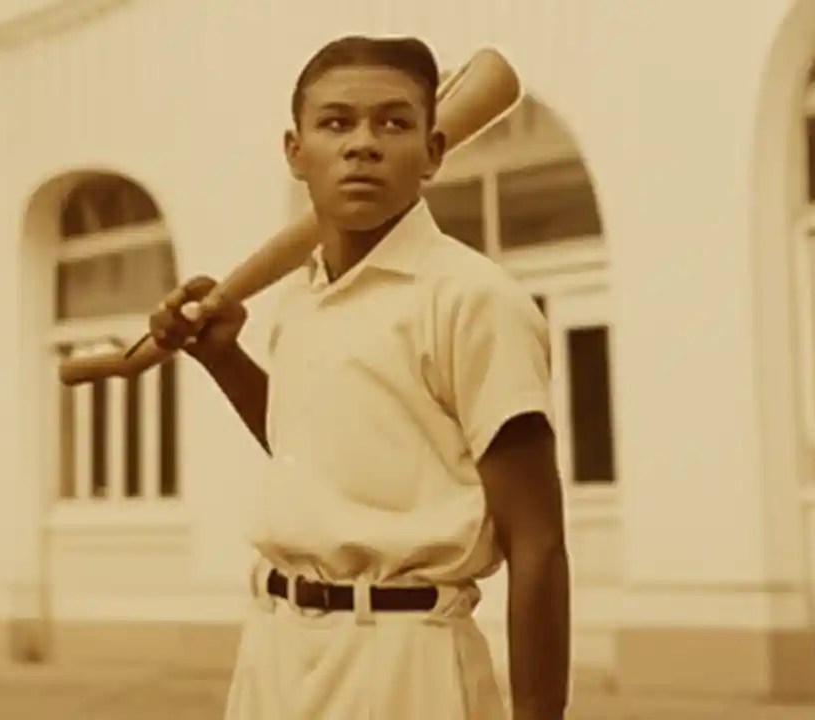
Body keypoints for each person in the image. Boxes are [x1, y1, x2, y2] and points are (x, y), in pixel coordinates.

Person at [149, 35, 570, 720]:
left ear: (434, 151)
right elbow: (315, 453)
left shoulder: (474, 299)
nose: (363, 145)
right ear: (296, 152)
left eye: (394, 123)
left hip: (406, 656)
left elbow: (538, 541)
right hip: (275, 648)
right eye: (336, 123)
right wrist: (222, 357)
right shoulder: (302, 298)